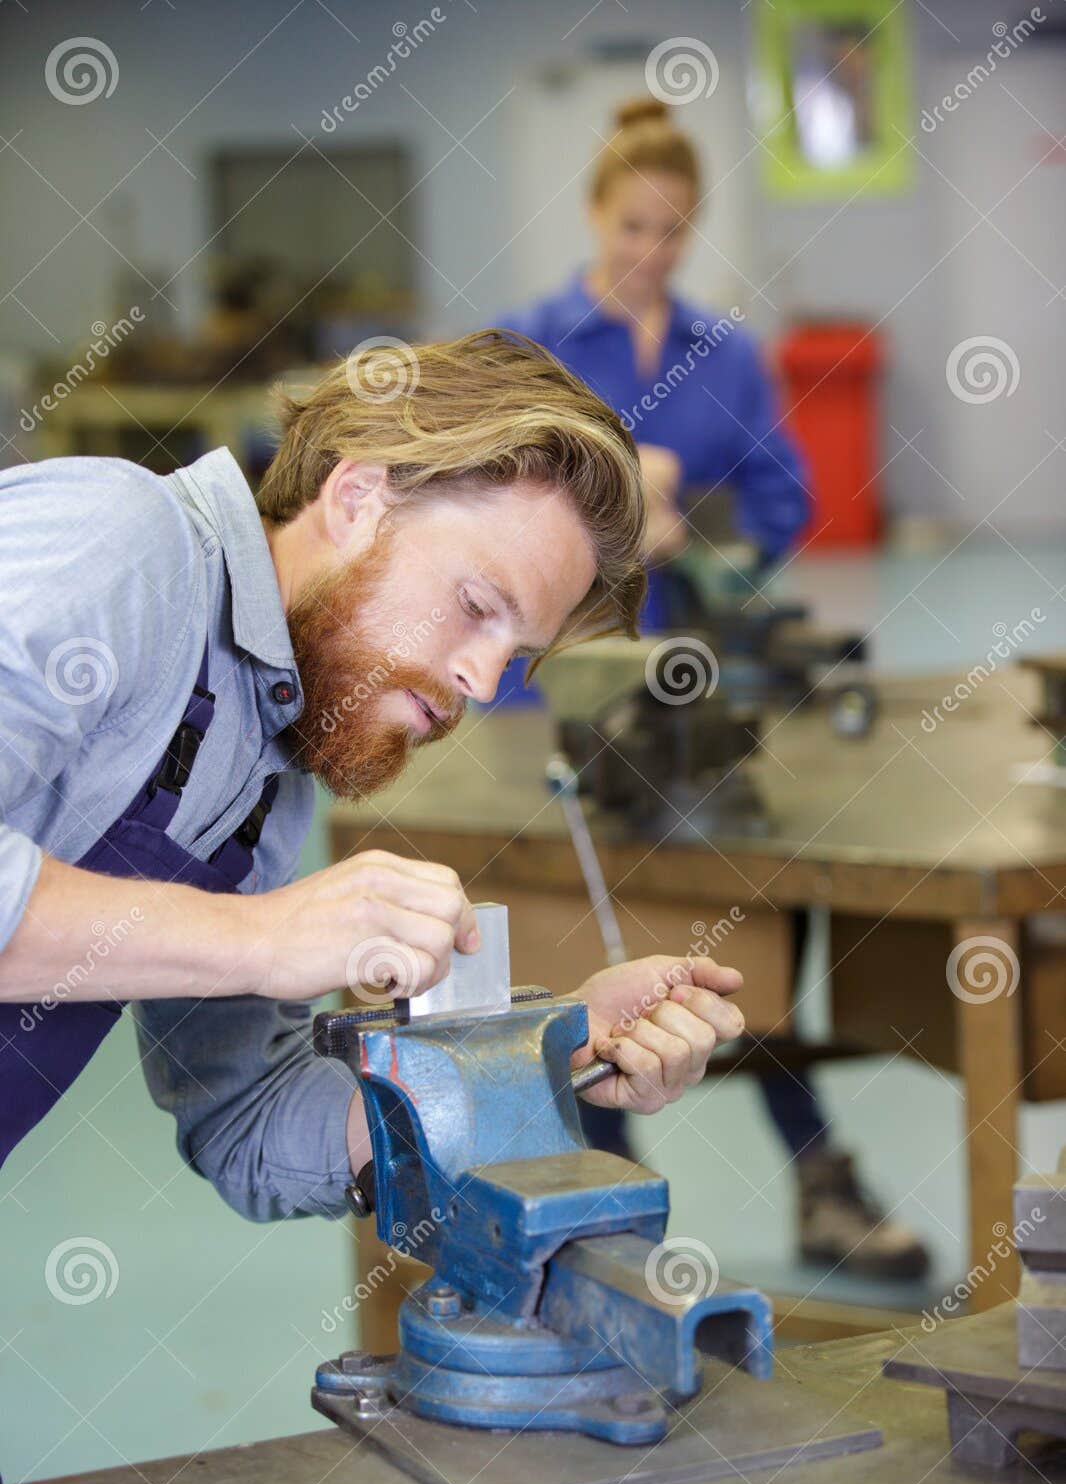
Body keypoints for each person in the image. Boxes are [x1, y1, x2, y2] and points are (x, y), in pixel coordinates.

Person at [0, 330, 747, 1224]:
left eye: (517, 651)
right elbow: (252, 942)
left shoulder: (268, 774)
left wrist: (547, 1050)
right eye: (476, 607)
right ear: (357, 498)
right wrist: (264, 936)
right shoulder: (121, 542)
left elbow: (252, 1123)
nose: (481, 680)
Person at [498, 99, 928, 1281]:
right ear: (592, 211)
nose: (650, 250)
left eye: (673, 232)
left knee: (739, 933)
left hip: (687, 698)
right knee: (573, 947)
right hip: (548, 694)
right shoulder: (527, 348)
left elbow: (786, 503)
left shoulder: (722, 354)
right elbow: (478, 498)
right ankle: (610, 1220)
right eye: (633, 224)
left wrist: (698, 520)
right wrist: (615, 494)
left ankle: (818, 1181)